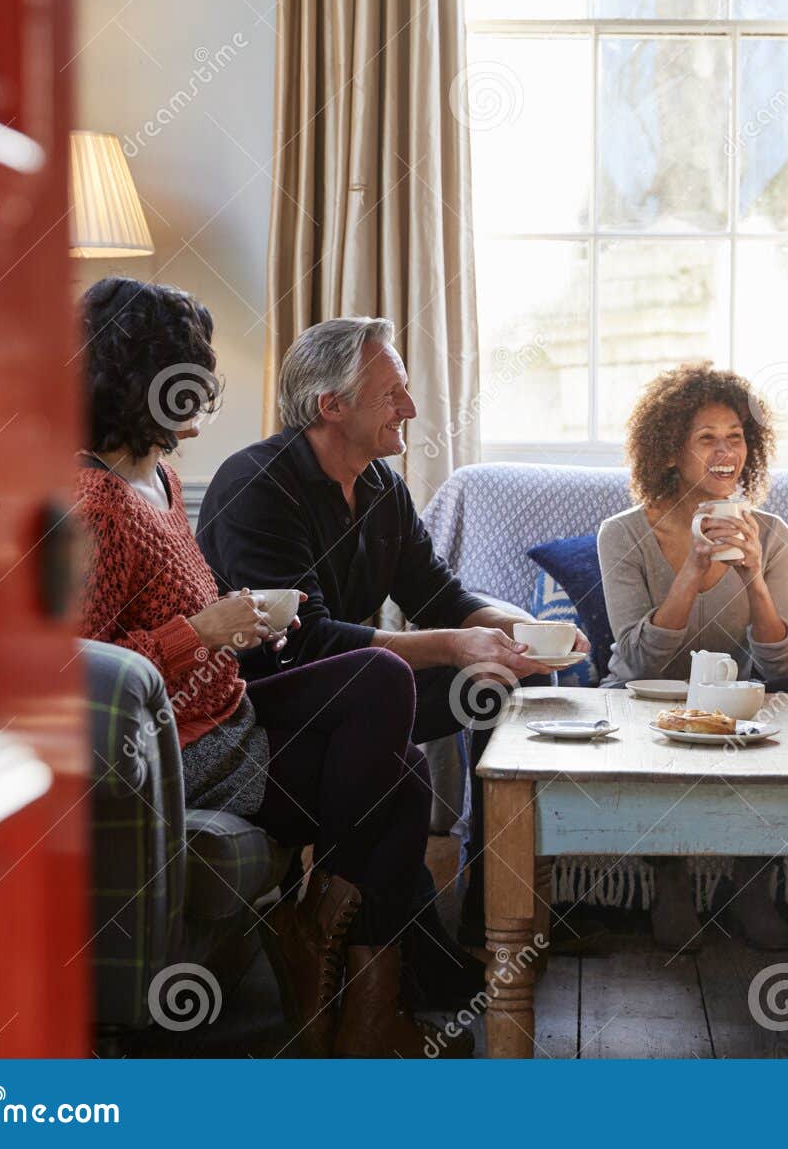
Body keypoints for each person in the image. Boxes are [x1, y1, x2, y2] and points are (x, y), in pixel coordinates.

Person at [72, 278, 466, 1058]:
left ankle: (344, 978)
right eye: (190, 367)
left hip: (235, 713)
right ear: (138, 379)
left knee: (399, 760)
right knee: (390, 725)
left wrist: (238, 623)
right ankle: (367, 995)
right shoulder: (95, 502)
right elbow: (80, 676)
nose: (207, 387)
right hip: (188, 755)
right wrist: (203, 629)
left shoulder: (157, 481)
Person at [196, 316, 588, 952]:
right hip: (267, 700)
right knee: (400, 753)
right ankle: (375, 949)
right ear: (332, 406)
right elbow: (306, 641)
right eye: (391, 395)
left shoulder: (382, 489)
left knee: (489, 680)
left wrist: (527, 631)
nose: (409, 407)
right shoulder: (259, 485)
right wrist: (456, 644)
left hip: (358, 695)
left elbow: (441, 598)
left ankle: (491, 910)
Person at [598, 363, 788, 951]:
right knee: (627, 713)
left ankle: (751, 883)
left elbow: (781, 667)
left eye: (735, 436)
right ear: (669, 452)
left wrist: (755, 581)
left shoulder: (772, 532)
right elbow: (635, 664)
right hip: (645, 694)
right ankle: (670, 882)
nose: (725, 451)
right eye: (706, 437)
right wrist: (689, 576)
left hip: (735, 694)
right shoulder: (622, 534)